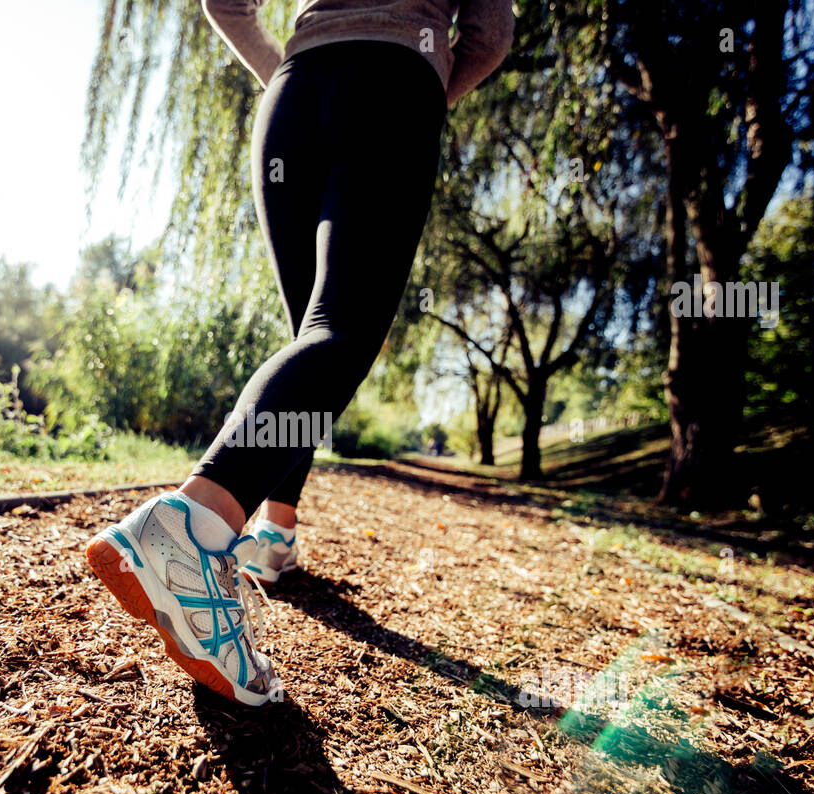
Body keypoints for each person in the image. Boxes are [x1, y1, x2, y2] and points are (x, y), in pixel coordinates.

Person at [86, 0, 515, 706]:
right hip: (395, 84)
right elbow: (490, 36)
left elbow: (224, 2)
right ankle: (193, 526)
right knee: (339, 332)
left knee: (311, 341)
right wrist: (425, 86)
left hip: (293, 97)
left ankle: (273, 531)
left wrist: (283, 65)